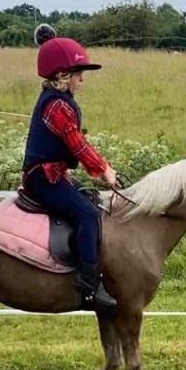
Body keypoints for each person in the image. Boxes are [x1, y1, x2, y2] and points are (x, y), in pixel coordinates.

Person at [22, 24, 119, 311]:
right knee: (87, 214)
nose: (82, 81)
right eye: (78, 75)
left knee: (89, 200)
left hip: (53, 175)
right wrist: (104, 170)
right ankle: (89, 284)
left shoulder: (60, 102)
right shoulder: (57, 107)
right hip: (43, 179)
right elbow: (77, 146)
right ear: (63, 76)